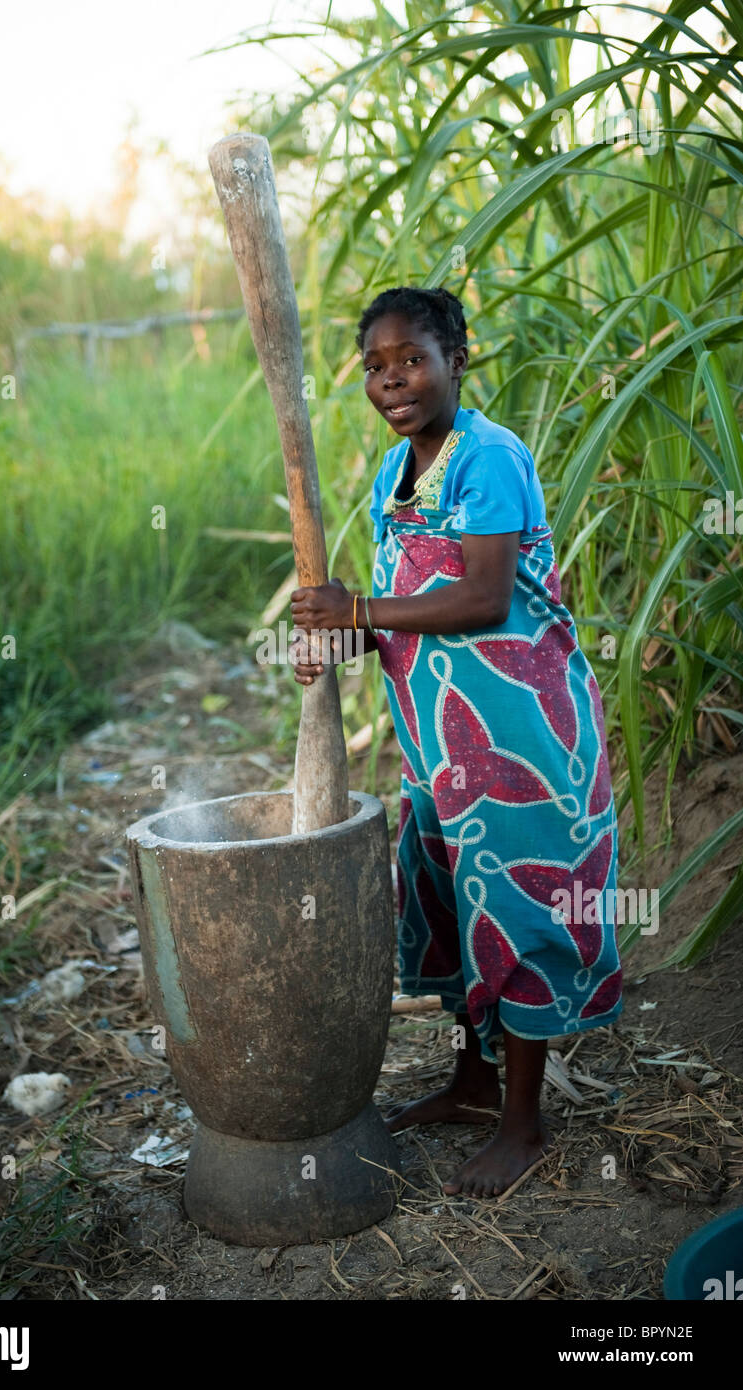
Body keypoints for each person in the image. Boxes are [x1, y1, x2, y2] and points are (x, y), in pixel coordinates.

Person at [289, 285, 622, 1198]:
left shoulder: (490, 457)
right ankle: (471, 1085)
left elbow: (480, 597)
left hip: (521, 735)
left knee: (517, 909)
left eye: (411, 359)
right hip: (441, 747)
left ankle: (523, 1122)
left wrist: (356, 605)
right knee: (449, 902)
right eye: (374, 366)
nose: (392, 379)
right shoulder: (392, 475)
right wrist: (336, 635)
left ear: (456, 359)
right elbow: (407, 618)